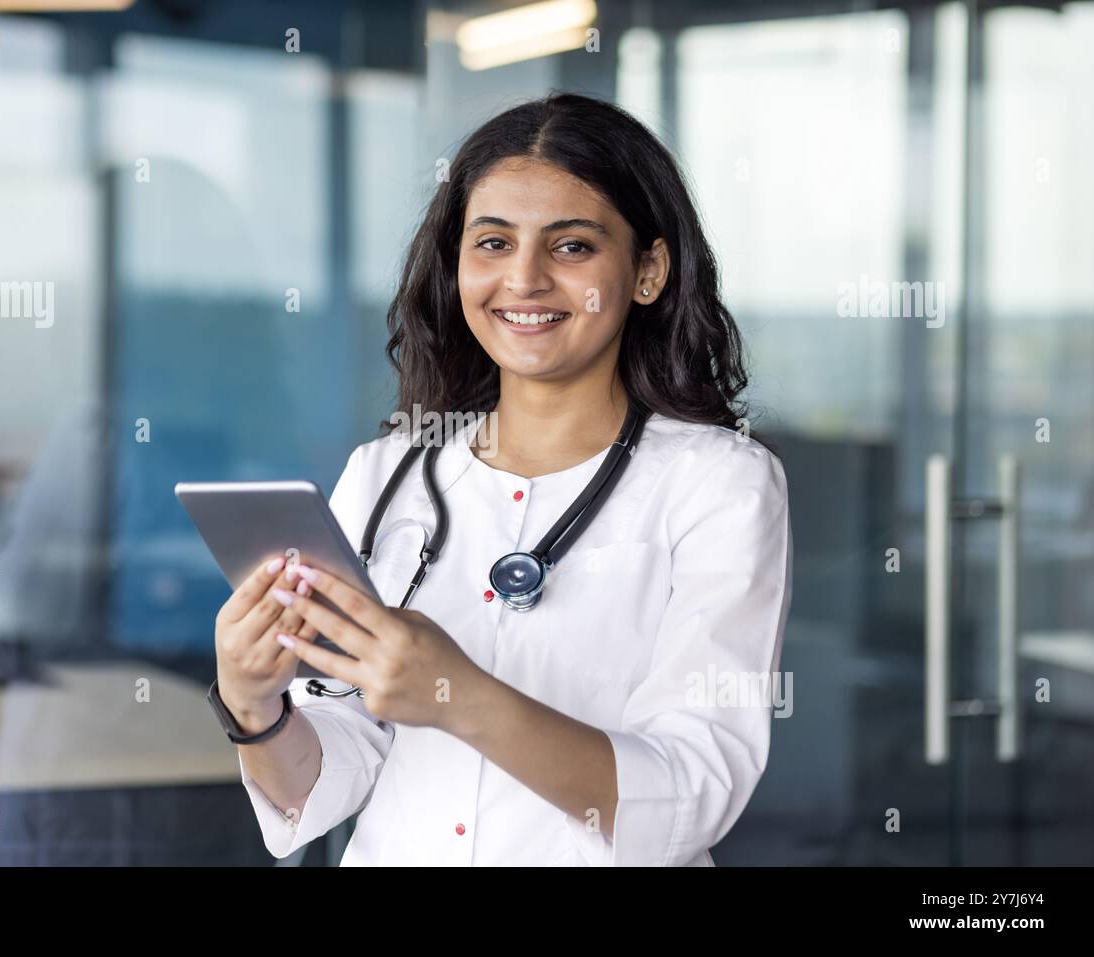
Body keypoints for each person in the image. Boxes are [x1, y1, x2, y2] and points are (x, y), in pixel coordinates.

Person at [212, 91, 792, 866]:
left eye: (572, 246)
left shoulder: (718, 484)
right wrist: (253, 704)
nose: (523, 279)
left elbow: (690, 795)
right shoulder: (386, 473)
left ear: (648, 269)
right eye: (492, 242)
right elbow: (328, 776)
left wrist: (460, 693)